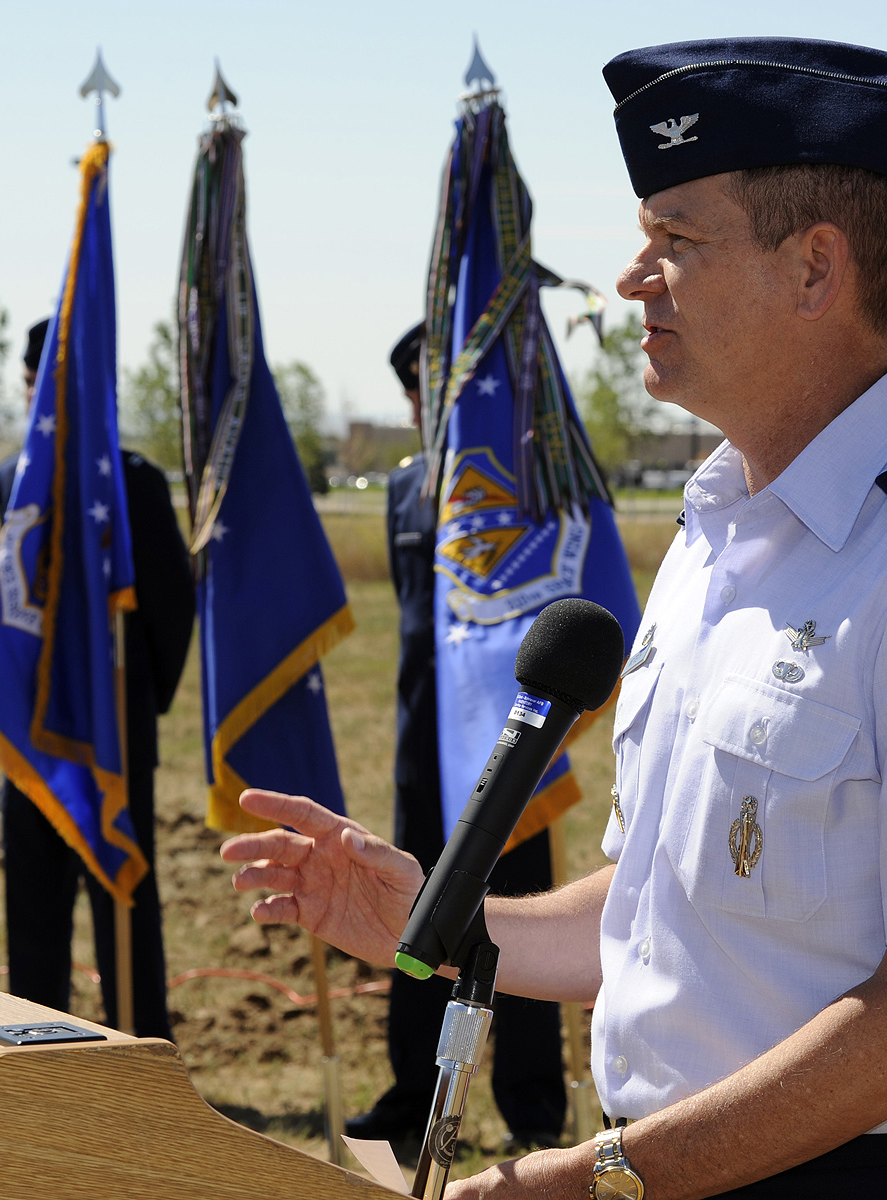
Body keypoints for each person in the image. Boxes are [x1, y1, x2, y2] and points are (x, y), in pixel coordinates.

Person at [223, 38, 887, 1200]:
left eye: (677, 240)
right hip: (665, 1167)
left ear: (815, 269)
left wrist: (603, 1179)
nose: (634, 279)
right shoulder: (716, 534)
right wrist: (444, 921)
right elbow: (664, 912)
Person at [342, 324, 566, 1154]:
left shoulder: (517, 484)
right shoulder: (407, 487)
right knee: (417, 915)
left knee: (524, 915)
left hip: (507, 741)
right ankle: (413, 1092)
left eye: (428, 389)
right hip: (422, 742)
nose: (417, 406)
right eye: (410, 393)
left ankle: (533, 1109)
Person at [0, 317, 196, 1038]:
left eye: (47, 384)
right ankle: (34, 1056)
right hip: (28, 727)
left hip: (113, 729)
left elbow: (173, 605)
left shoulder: (133, 482)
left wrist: (140, 703)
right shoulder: (13, 481)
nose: (36, 397)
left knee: (124, 903)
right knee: (32, 905)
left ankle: (139, 1053)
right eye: (30, 384)